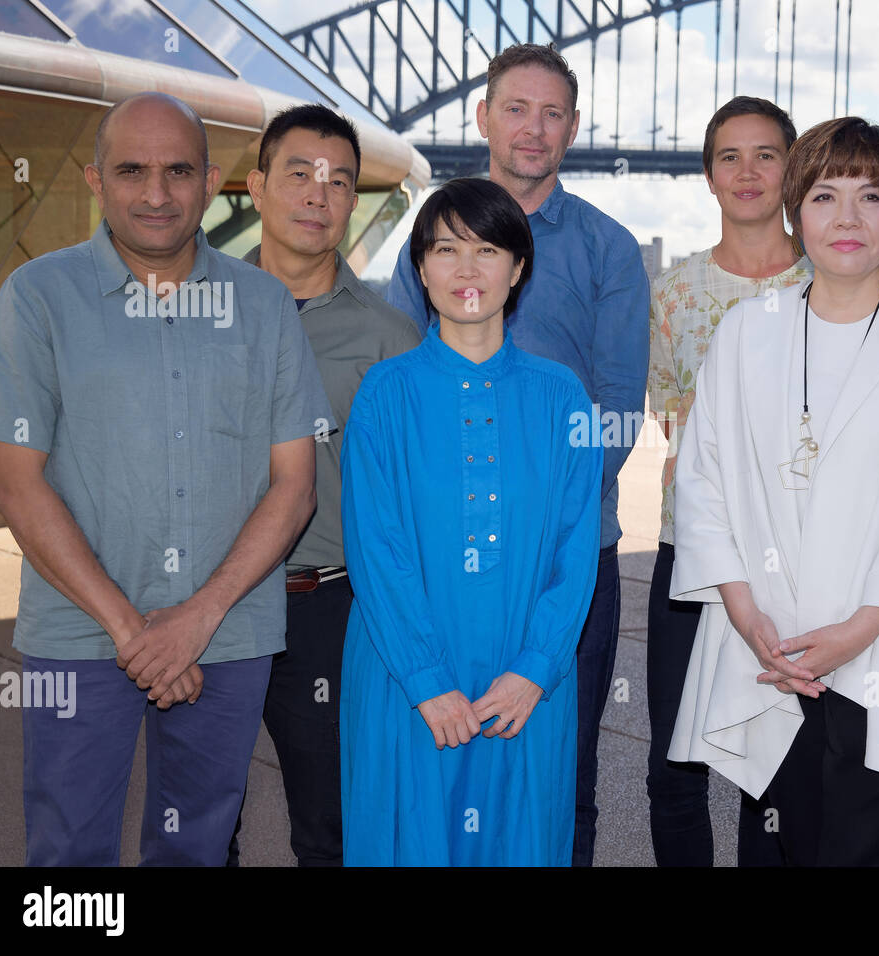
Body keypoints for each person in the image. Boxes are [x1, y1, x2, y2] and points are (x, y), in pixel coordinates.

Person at [0, 92, 331, 866]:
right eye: (132, 170)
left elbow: (294, 486)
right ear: (98, 180)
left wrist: (195, 619)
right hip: (77, 631)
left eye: (178, 171)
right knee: (68, 854)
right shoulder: (37, 300)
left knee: (197, 849)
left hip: (227, 634)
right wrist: (136, 633)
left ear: (211, 183)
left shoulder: (265, 306)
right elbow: (19, 488)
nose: (157, 193)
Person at [667, 117, 879, 866]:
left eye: (870, 196)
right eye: (823, 195)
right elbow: (703, 478)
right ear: (795, 212)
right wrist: (747, 616)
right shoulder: (749, 332)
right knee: (773, 845)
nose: (846, 217)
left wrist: (854, 633)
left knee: (860, 847)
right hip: (772, 643)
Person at [386, 43, 649, 866]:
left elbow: (615, 413)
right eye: (516, 108)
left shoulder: (609, 249)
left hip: (562, 563)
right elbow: (402, 382)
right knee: (439, 754)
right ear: (483, 117)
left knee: (557, 774)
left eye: (552, 112)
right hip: (438, 566)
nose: (533, 129)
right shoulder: (430, 234)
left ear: (573, 127)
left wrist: (537, 521)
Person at [341, 177, 603, 865]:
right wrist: (426, 678)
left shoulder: (564, 398)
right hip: (407, 679)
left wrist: (537, 667)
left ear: (518, 269)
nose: (465, 268)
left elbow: (578, 551)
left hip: (524, 685)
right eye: (445, 248)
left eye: (487, 249)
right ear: (421, 268)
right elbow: (376, 549)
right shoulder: (383, 395)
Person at [238, 104, 421, 866]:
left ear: (354, 203)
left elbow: (411, 501)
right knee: (197, 822)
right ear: (255, 187)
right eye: (300, 174)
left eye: (339, 182)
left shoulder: (391, 338)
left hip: (328, 610)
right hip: (205, 608)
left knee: (335, 826)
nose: (319, 194)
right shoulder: (189, 314)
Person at [646, 96, 810, 866]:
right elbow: (672, 418)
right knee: (674, 765)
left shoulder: (830, 278)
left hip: (800, 562)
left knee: (775, 767)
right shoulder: (675, 292)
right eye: (729, 157)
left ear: (791, 168)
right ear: (708, 175)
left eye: (766, 155)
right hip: (694, 554)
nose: (747, 172)